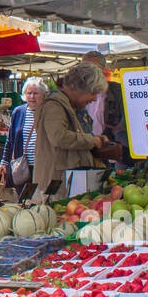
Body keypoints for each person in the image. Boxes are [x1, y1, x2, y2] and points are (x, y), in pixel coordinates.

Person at [33, 63, 112, 198]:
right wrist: (92, 140)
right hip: (55, 186)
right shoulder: (54, 106)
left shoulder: (70, 106)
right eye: (93, 93)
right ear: (80, 89)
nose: (94, 99)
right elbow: (59, 137)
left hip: (66, 182)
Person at [0, 76, 47, 188]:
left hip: (42, 166)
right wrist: (4, 162)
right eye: (29, 93)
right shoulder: (18, 112)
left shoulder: (48, 112)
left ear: (43, 95)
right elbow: (10, 140)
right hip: (22, 166)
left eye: (36, 93)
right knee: (22, 198)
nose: (32, 97)